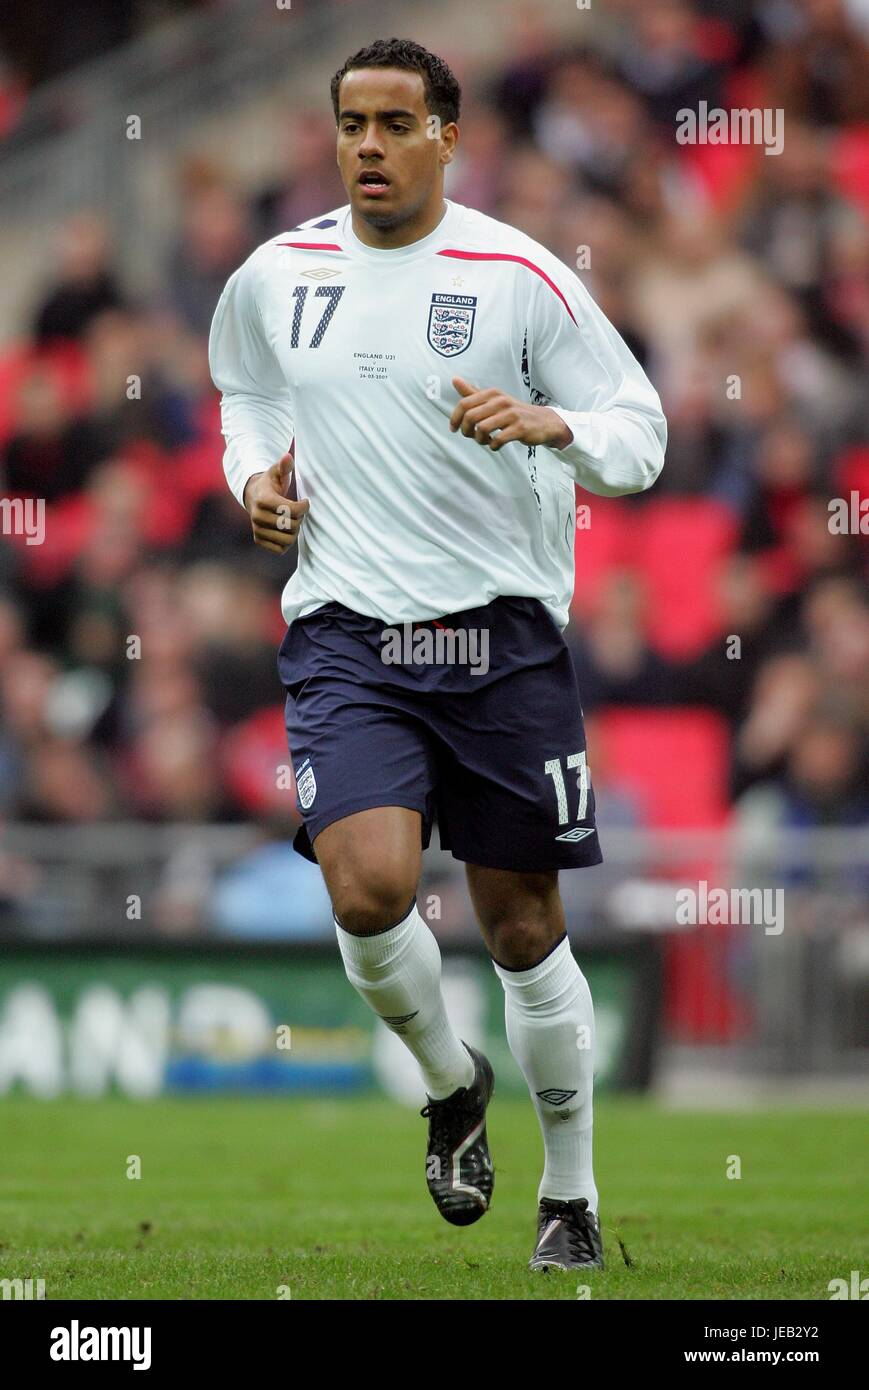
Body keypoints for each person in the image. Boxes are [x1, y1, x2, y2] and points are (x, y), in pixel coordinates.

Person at [208, 37, 666, 1272]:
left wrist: (548, 422)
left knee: (520, 929)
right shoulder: (278, 270)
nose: (367, 144)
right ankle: (449, 1083)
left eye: (395, 124)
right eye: (351, 123)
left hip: (500, 639)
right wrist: (251, 478)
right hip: (348, 633)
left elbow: (643, 433)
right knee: (363, 890)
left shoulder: (518, 277)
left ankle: (566, 1190)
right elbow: (242, 391)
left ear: (447, 136)